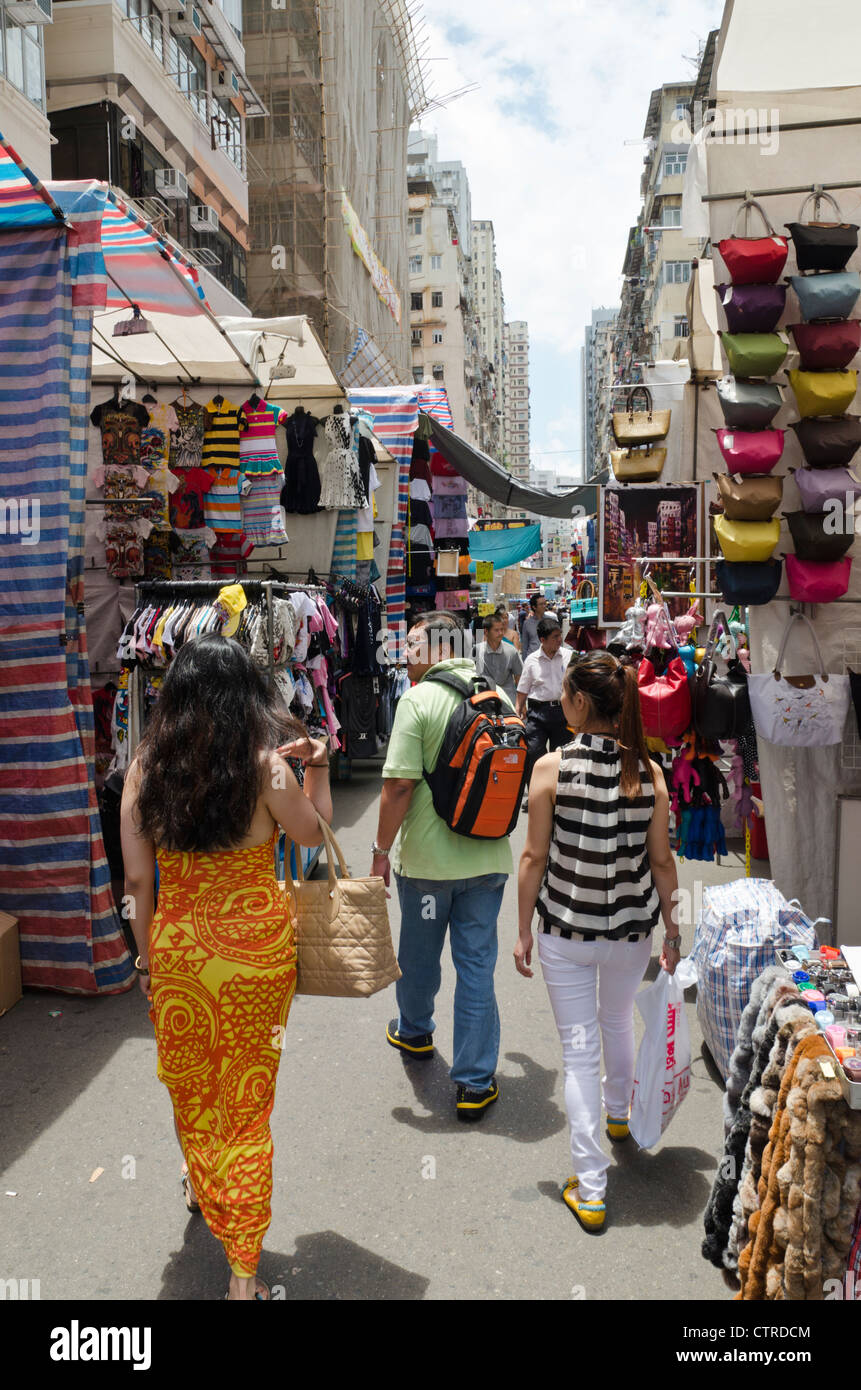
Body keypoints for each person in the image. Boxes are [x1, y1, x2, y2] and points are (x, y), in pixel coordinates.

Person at [120, 634, 333, 1300]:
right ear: (246, 695)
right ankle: (244, 1275)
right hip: (255, 957)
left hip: (179, 951)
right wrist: (319, 767)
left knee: (190, 1082)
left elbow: (135, 879)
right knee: (246, 1098)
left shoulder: (145, 767)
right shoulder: (266, 767)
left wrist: (147, 959)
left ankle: (203, 1177)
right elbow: (314, 834)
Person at [514, 651, 681, 1233]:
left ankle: (591, 1187)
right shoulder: (651, 773)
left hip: (566, 929)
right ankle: (619, 1117)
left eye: (564, 694)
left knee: (579, 1051)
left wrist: (520, 930)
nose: (560, 702)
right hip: (632, 931)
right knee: (615, 1023)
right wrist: (675, 929)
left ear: (581, 703)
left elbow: (533, 857)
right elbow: (662, 862)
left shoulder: (550, 769)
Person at [371, 611, 512, 1120]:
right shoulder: (497, 697)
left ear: (436, 647)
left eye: (410, 643)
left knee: (420, 952)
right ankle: (475, 1083)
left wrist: (380, 852)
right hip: (489, 859)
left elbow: (398, 787)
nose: (404, 653)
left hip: (430, 865)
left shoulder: (418, 700)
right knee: (476, 966)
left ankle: (414, 1032)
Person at [516, 615, 573, 783]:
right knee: (533, 752)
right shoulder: (531, 660)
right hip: (537, 714)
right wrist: (517, 710)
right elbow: (522, 689)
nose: (559, 640)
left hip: (562, 713)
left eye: (559, 635)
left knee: (561, 755)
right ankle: (535, 789)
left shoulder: (568, 656)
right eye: (555, 637)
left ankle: (557, 791)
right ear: (542, 639)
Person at [475, 611, 523, 705]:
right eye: (496, 630)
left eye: (502, 629)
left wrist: (521, 704)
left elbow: (519, 677)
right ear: (486, 631)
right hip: (484, 702)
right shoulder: (476, 650)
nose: (500, 633)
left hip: (508, 702)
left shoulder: (511, 651)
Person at [520, 592, 547, 659]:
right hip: (533, 658)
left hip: (548, 658)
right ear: (534, 607)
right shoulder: (527, 623)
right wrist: (525, 662)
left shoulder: (550, 620)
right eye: (541, 604)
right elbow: (524, 645)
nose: (544, 606)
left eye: (545, 603)